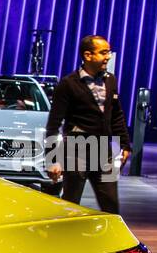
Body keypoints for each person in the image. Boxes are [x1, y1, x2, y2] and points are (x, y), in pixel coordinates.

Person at [45, 34, 130, 216]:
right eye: (104, 52)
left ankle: (112, 242)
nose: (108, 56)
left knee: (111, 204)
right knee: (71, 203)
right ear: (88, 55)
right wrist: (52, 160)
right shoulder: (68, 84)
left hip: (103, 151)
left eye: (108, 52)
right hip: (76, 150)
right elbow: (54, 123)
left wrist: (124, 144)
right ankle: (67, 240)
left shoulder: (110, 80)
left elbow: (116, 115)